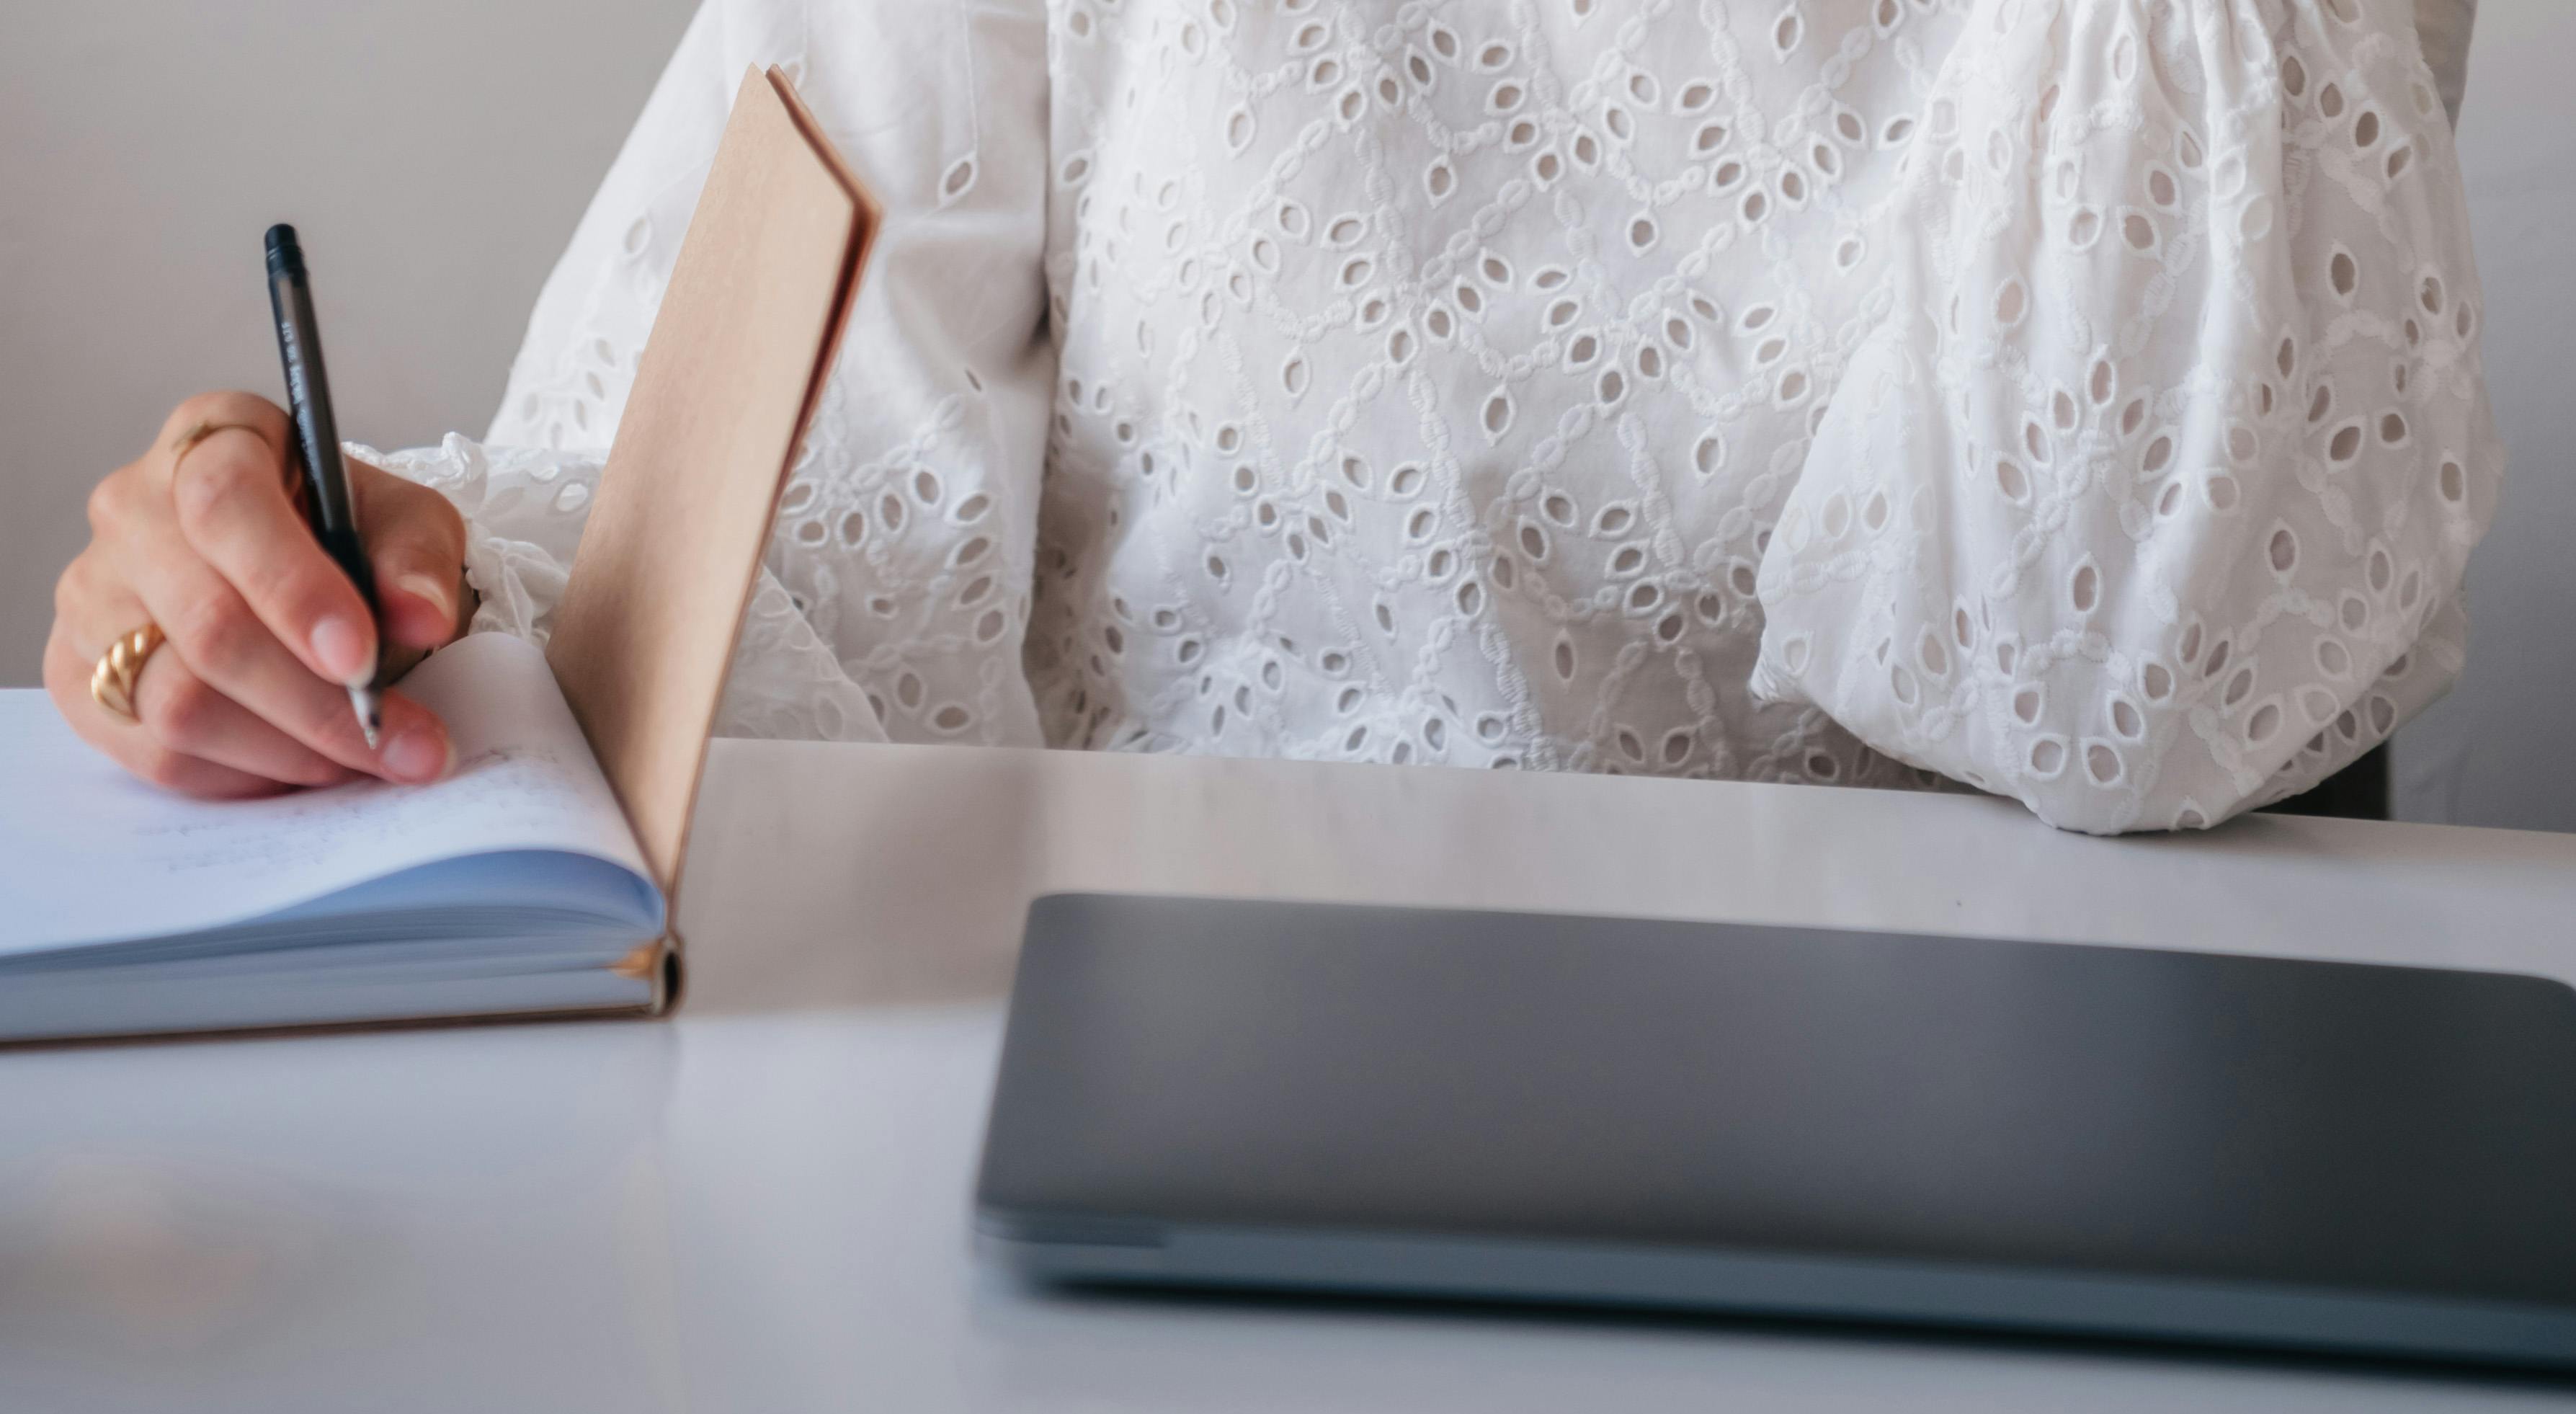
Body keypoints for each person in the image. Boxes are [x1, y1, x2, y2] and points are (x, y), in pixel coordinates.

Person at [48, 0, 2498, 832]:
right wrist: (366, 590)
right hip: (1115, 1208)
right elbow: (788, 560)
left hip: (1973, 1281)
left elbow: (2145, 680)